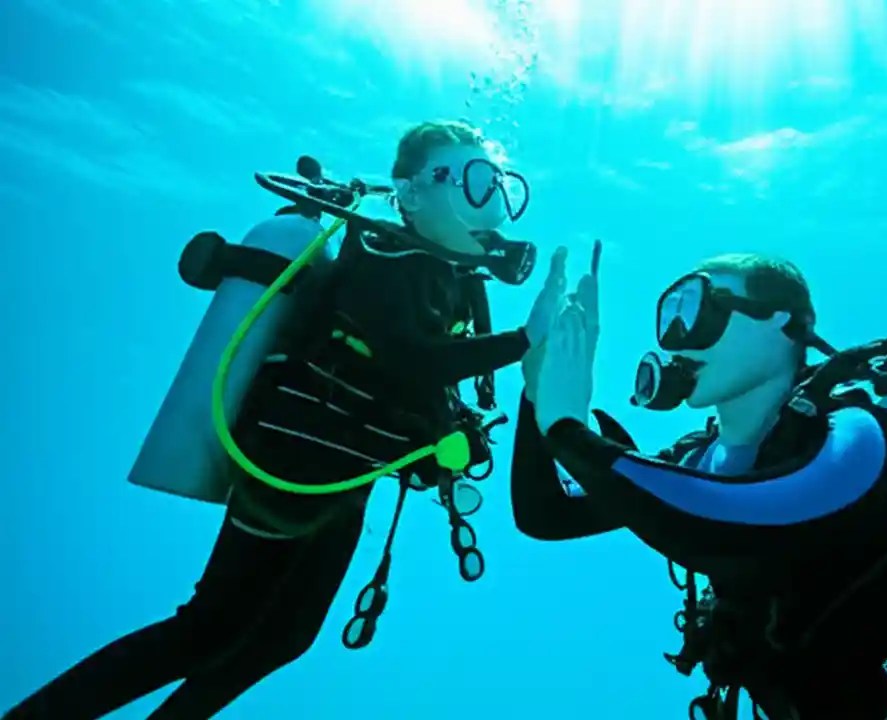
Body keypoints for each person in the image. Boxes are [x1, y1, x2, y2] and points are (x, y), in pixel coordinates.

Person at [5, 119, 567, 720]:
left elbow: (419, 390)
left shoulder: (448, 282)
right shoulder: (385, 255)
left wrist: (449, 441)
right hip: (292, 462)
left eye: (501, 184)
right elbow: (410, 361)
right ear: (412, 192)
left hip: (345, 479)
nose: (494, 200)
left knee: (281, 640)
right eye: (476, 180)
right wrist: (522, 340)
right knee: (208, 628)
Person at [511, 246, 887, 719]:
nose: (677, 340)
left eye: (696, 307)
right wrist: (536, 392)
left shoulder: (855, 435)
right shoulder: (698, 462)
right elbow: (546, 514)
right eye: (669, 316)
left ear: (782, 322)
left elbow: (735, 526)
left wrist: (566, 430)